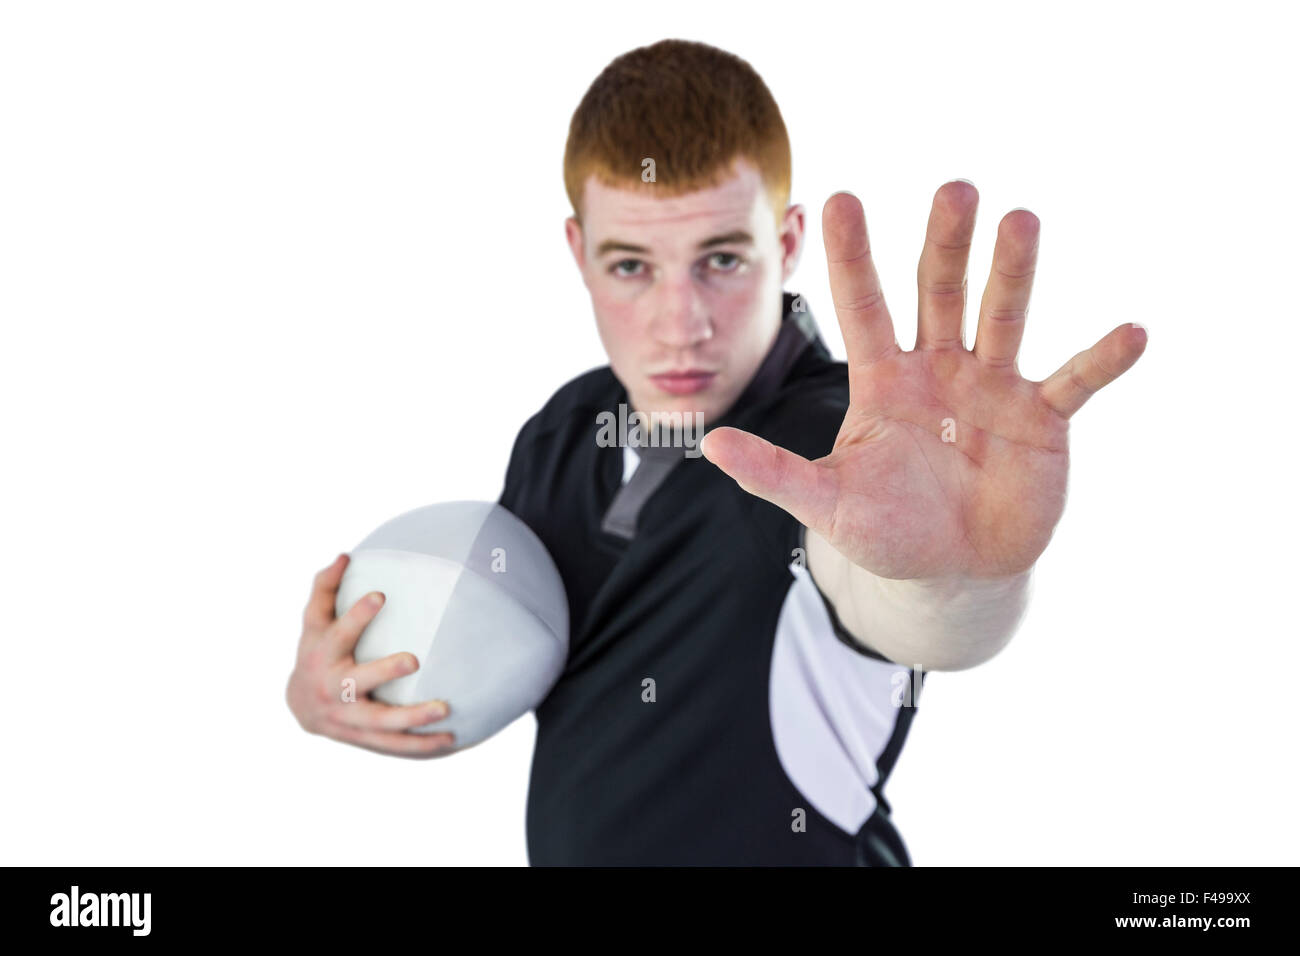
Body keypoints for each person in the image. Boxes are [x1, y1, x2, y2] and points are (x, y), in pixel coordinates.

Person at [286, 39, 1146, 866]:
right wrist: (338, 695)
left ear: (785, 242)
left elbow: (894, 603)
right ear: (579, 253)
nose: (680, 323)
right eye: (632, 267)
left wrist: (961, 576)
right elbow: (500, 660)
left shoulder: (848, 451)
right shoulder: (563, 429)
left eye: (722, 259)